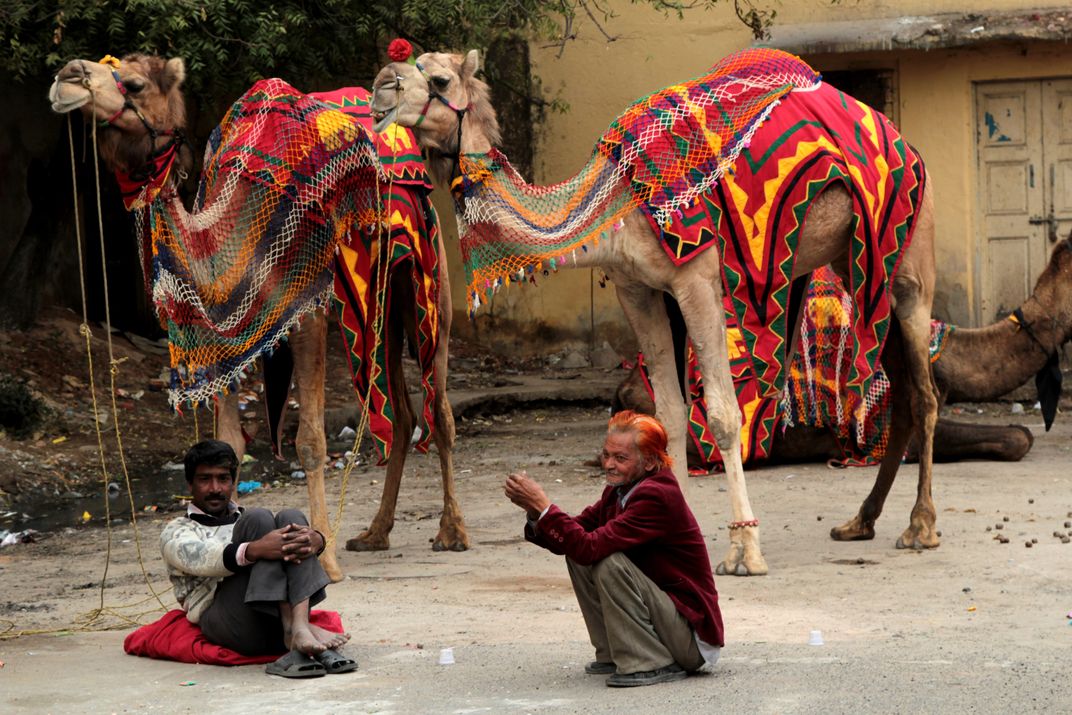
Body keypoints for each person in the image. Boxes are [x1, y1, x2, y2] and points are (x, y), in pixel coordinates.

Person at [503, 410, 723, 687]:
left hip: (691, 638)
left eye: (620, 458)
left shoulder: (657, 495)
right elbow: (575, 535)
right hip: (668, 621)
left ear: (651, 462)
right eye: (606, 455)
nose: (609, 464)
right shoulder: (619, 490)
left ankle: (648, 660)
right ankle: (614, 652)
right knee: (580, 555)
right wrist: (537, 513)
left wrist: (545, 508)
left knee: (606, 560)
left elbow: (590, 546)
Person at [159, 439, 356, 678]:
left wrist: (316, 540)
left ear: (233, 482)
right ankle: (294, 628)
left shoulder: (242, 519)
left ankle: (297, 627)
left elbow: (288, 545)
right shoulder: (178, 530)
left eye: (223, 479)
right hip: (229, 622)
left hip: (268, 618)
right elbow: (204, 559)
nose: (215, 488)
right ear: (190, 484)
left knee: (290, 517)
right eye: (204, 479)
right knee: (258, 518)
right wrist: (254, 549)